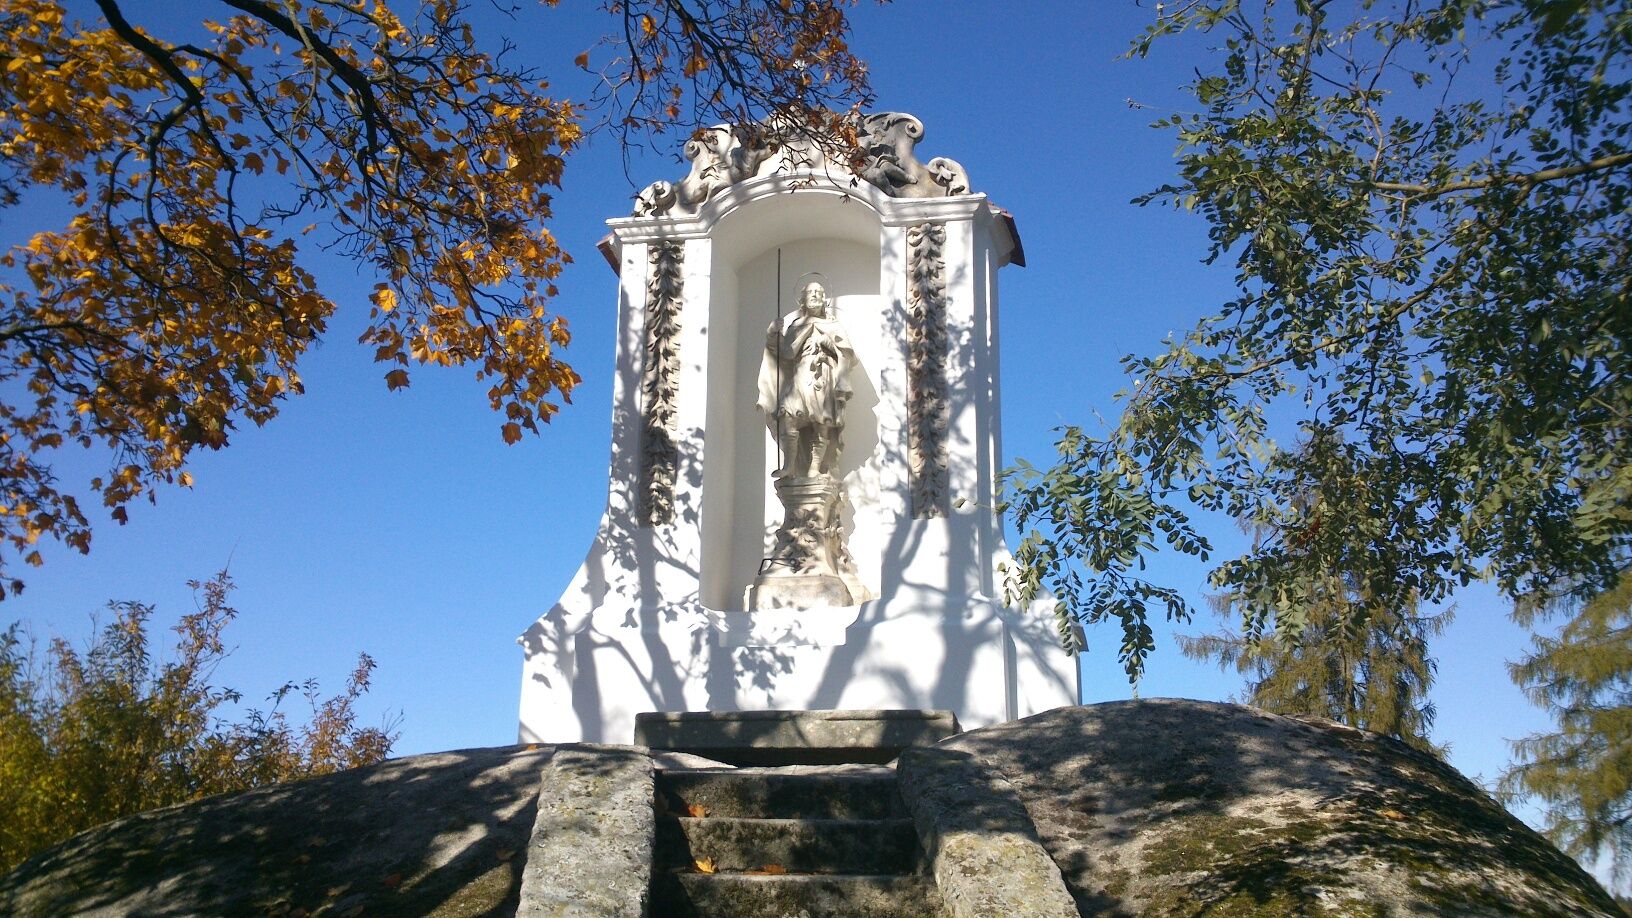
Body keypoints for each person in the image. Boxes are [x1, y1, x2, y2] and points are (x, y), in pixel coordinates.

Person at [757, 280, 857, 479]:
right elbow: (783, 354)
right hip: (799, 379)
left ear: (824, 300)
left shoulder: (832, 325)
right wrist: (772, 333)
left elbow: (847, 354)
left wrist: (826, 341)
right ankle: (788, 466)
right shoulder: (796, 326)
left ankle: (815, 467)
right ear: (802, 299)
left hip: (823, 378)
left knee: (822, 423)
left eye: (819, 293)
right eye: (811, 292)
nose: (815, 296)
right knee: (788, 417)